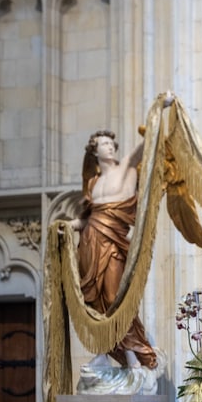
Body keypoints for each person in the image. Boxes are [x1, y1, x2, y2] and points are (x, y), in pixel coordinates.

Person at [71, 129, 158, 372]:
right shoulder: (93, 183)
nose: (110, 147)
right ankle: (102, 352)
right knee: (96, 302)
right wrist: (69, 225)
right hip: (90, 242)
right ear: (94, 151)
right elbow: (85, 219)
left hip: (114, 244)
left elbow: (142, 148)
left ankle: (131, 354)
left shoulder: (127, 169)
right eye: (104, 144)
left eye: (111, 143)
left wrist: (160, 113)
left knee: (115, 298)